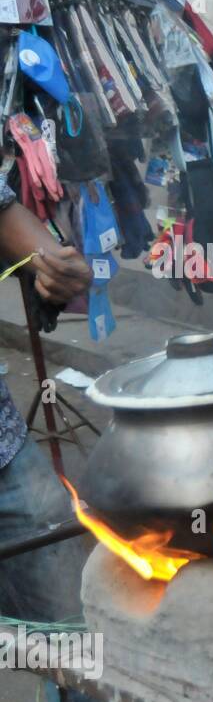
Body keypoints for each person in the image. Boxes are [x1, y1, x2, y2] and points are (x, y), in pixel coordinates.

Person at [0, 181, 93, 622]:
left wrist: (51, 261)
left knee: (69, 631)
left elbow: (2, 209)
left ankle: (75, 691)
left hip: (5, 451)